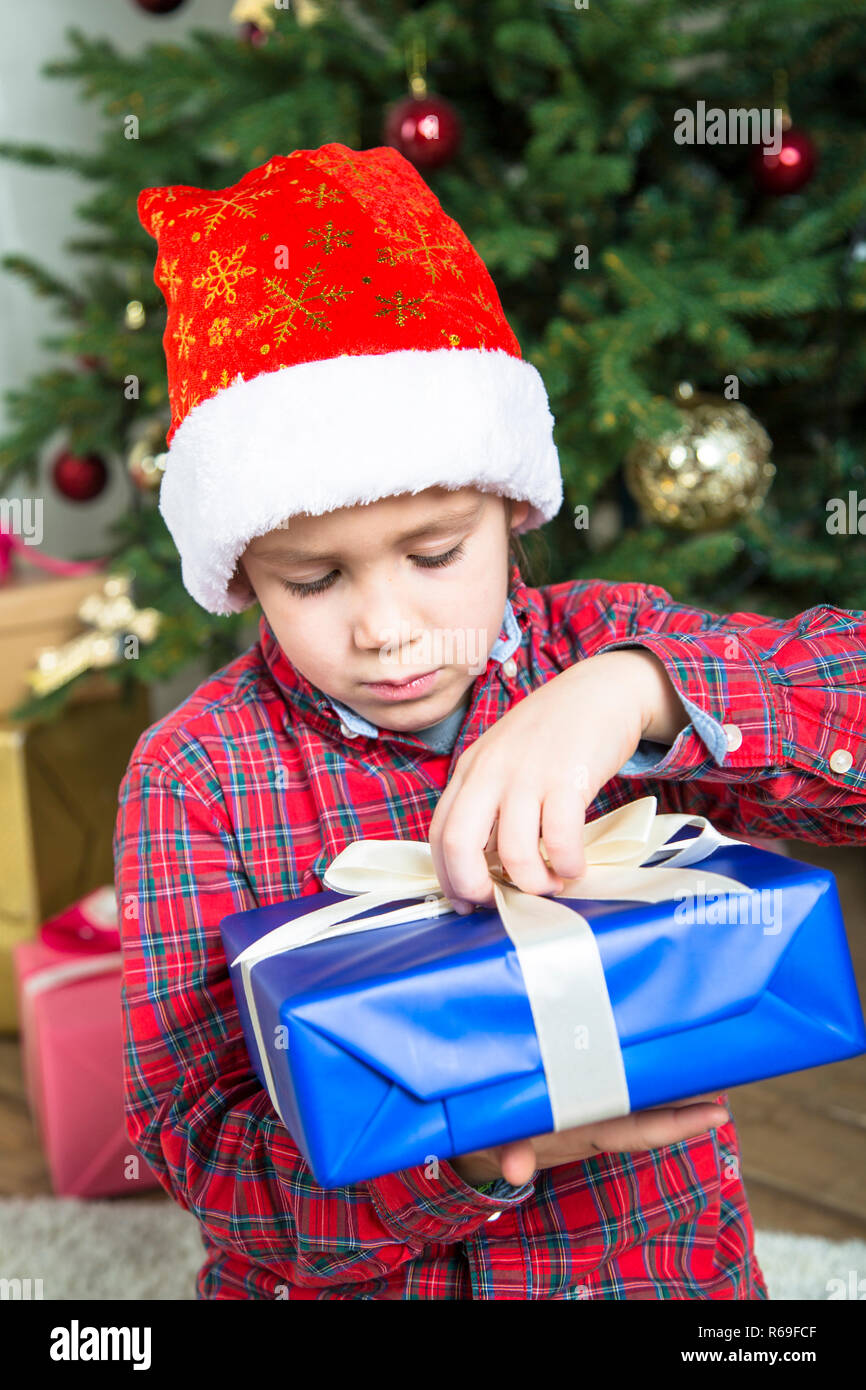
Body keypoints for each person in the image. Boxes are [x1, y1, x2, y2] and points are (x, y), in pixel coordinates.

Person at [114, 142, 865, 1300]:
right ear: (238, 570)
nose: (385, 628)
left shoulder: (603, 648)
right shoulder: (193, 778)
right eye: (311, 580)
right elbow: (199, 1152)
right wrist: (467, 1152)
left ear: (513, 505)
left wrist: (639, 690)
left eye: (434, 553)